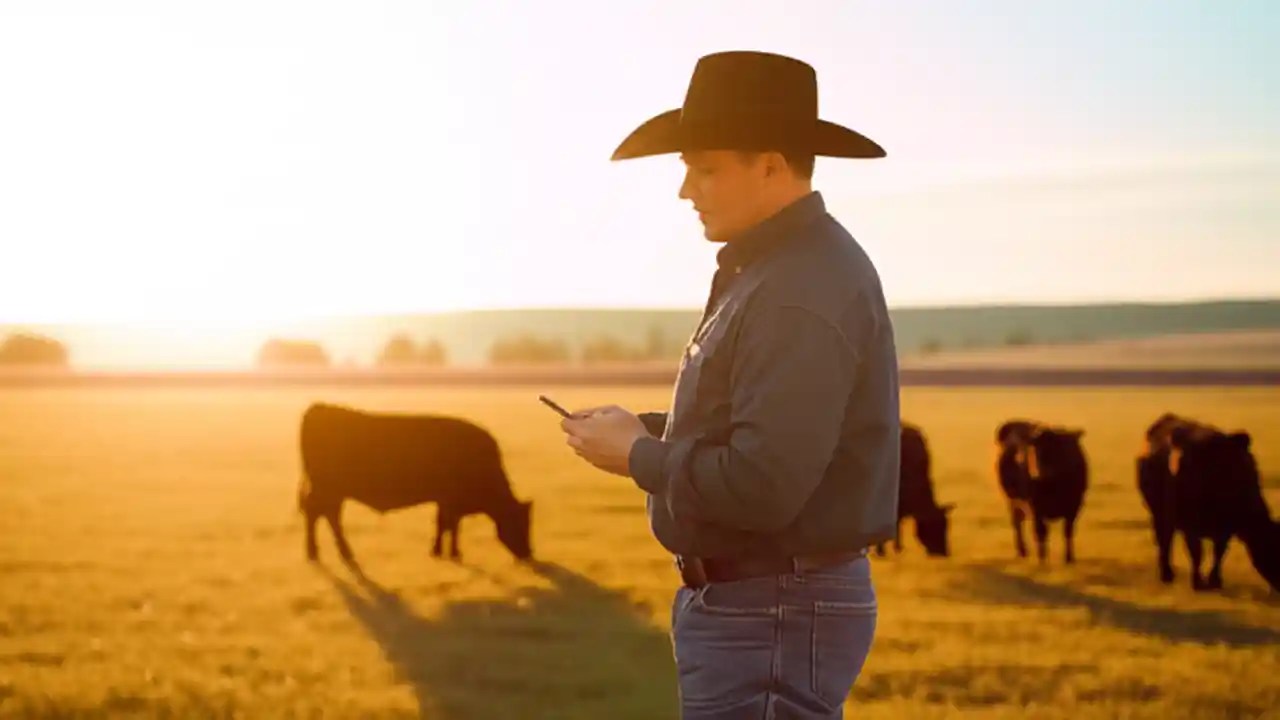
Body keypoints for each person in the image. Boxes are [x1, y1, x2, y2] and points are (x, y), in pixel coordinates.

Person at [560, 50, 900, 719]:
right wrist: (648, 429)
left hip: (771, 606)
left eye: (705, 167)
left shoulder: (798, 289)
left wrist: (637, 455)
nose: (686, 189)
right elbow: (760, 430)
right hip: (763, 605)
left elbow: (763, 484)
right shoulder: (781, 271)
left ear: (771, 165)